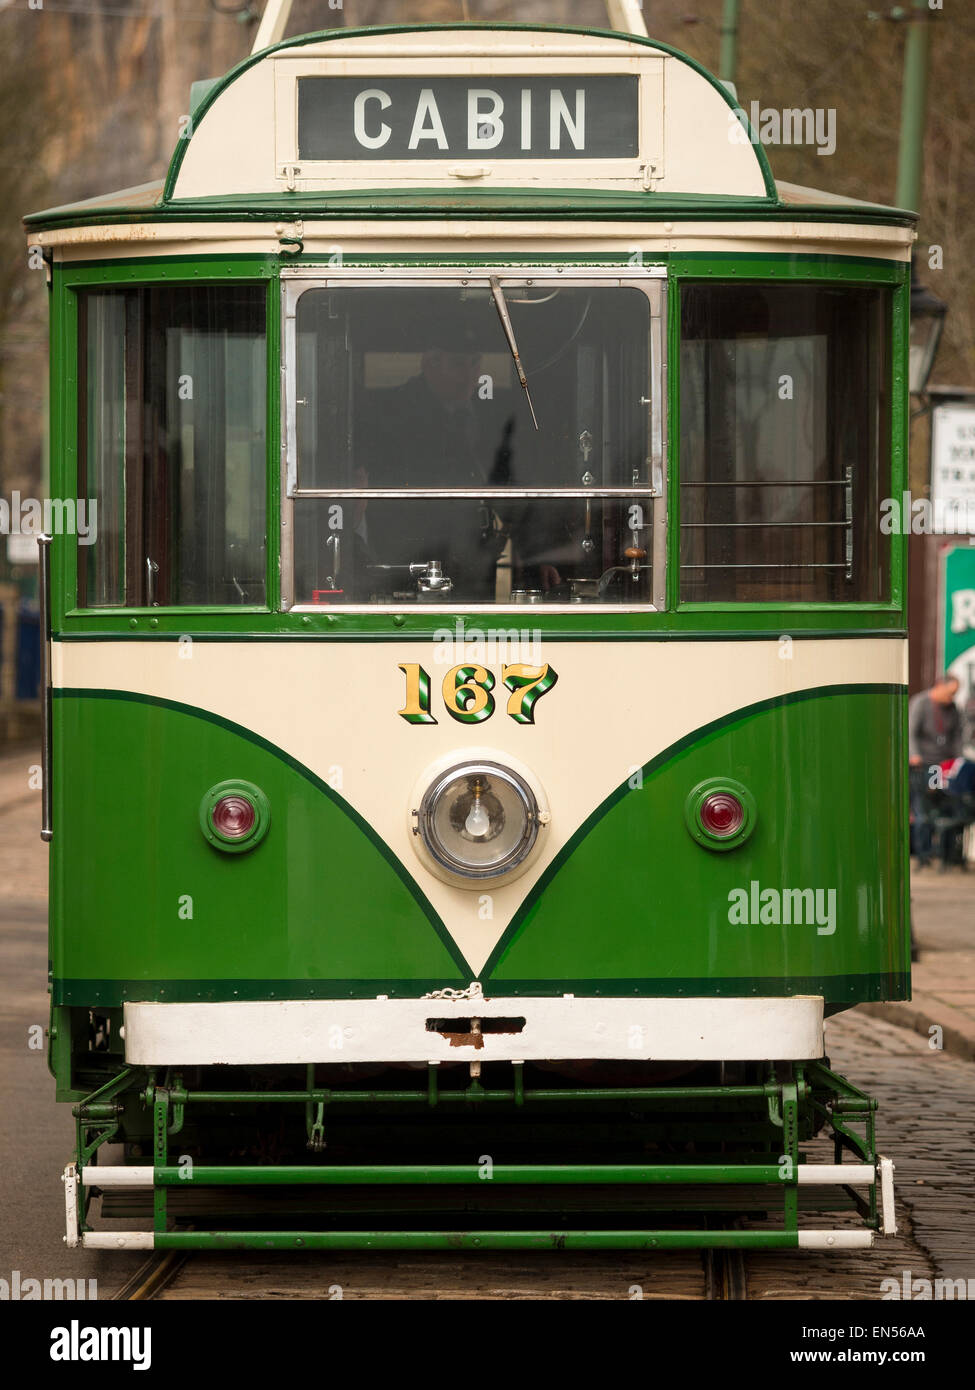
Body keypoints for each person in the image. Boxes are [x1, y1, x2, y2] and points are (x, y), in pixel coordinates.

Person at [908, 674, 962, 868]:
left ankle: (945, 853)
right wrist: (914, 755)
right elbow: (911, 732)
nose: (952, 698)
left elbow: (956, 734)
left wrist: (957, 759)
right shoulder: (920, 703)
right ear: (939, 686)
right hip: (924, 765)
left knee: (944, 806)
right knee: (923, 809)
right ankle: (923, 854)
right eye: (950, 693)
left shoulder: (952, 708)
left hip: (942, 766)